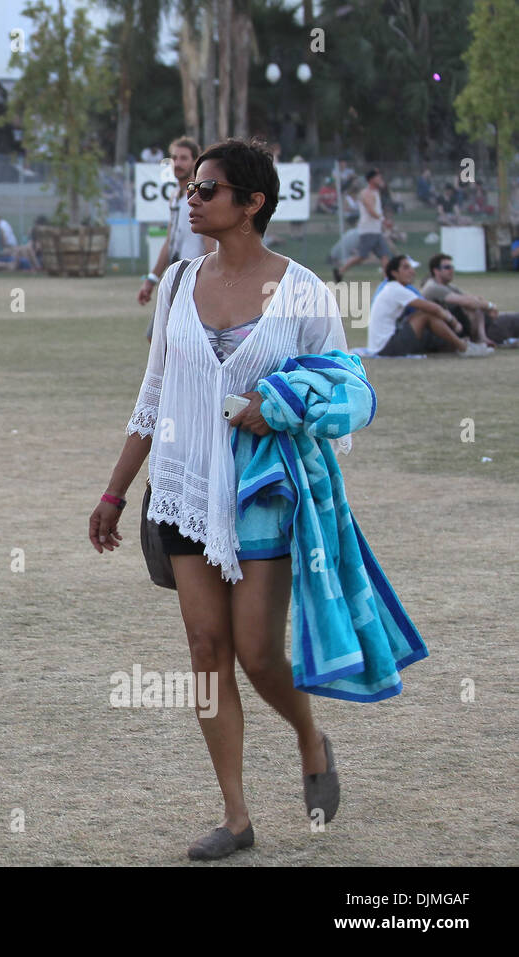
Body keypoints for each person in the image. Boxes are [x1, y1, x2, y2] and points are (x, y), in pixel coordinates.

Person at [90, 138, 351, 860]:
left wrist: (281, 408)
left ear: (251, 203)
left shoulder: (302, 290)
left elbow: (339, 389)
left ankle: (309, 737)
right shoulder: (176, 281)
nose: (191, 198)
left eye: (207, 190)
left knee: (261, 651)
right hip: (182, 489)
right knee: (207, 648)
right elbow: (154, 391)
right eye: (192, 188)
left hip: (264, 490)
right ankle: (236, 817)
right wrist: (116, 489)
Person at [138, 137, 215, 308]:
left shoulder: (201, 196)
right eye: (174, 158)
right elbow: (169, 242)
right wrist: (152, 279)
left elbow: (210, 245)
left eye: (183, 158)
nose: (177, 163)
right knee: (157, 333)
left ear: (196, 161)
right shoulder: (174, 196)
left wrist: (208, 281)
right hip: (176, 275)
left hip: (194, 279)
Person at [368, 255, 489, 357]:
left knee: (421, 317)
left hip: (385, 343)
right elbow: (432, 308)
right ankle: (464, 348)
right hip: (385, 347)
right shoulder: (395, 289)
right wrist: (453, 321)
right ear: (394, 273)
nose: (412, 271)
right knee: (426, 315)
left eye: (411, 267)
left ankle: (459, 345)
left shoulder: (392, 288)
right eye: (406, 268)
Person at [422, 253, 519, 346]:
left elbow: (474, 298)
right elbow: (469, 302)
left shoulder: (448, 286)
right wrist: (490, 306)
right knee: (513, 320)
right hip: (484, 329)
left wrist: (482, 305)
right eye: (447, 267)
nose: (451, 270)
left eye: (452, 267)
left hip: (482, 327)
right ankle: (482, 339)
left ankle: (484, 338)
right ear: (436, 271)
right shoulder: (433, 288)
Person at [334, 169, 392, 281]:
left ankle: (387, 279)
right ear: (371, 179)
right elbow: (370, 210)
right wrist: (383, 220)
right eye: (378, 177)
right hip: (368, 230)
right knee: (361, 256)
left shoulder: (376, 192)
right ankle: (340, 271)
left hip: (375, 230)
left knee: (385, 256)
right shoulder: (366, 193)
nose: (380, 180)